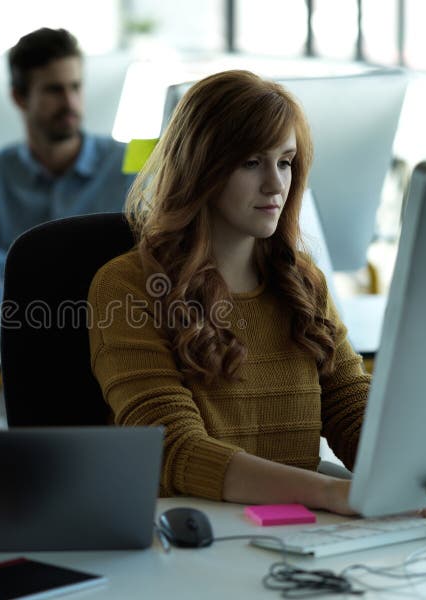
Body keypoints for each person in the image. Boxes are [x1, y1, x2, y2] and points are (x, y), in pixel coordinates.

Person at [87, 70, 371, 516]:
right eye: (252, 162)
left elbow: (351, 407)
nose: (276, 184)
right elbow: (173, 448)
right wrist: (327, 492)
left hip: (302, 530)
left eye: (286, 161)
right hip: (196, 538)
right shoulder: (127, 287)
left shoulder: (301, 280)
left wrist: (412, 470)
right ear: (203, 168)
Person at [0, 27, 133, 311]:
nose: (70, 103)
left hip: (110, 321)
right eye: (54, 90)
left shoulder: (130, 165)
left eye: (75, 87)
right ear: (19, 98)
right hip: (20, 326)